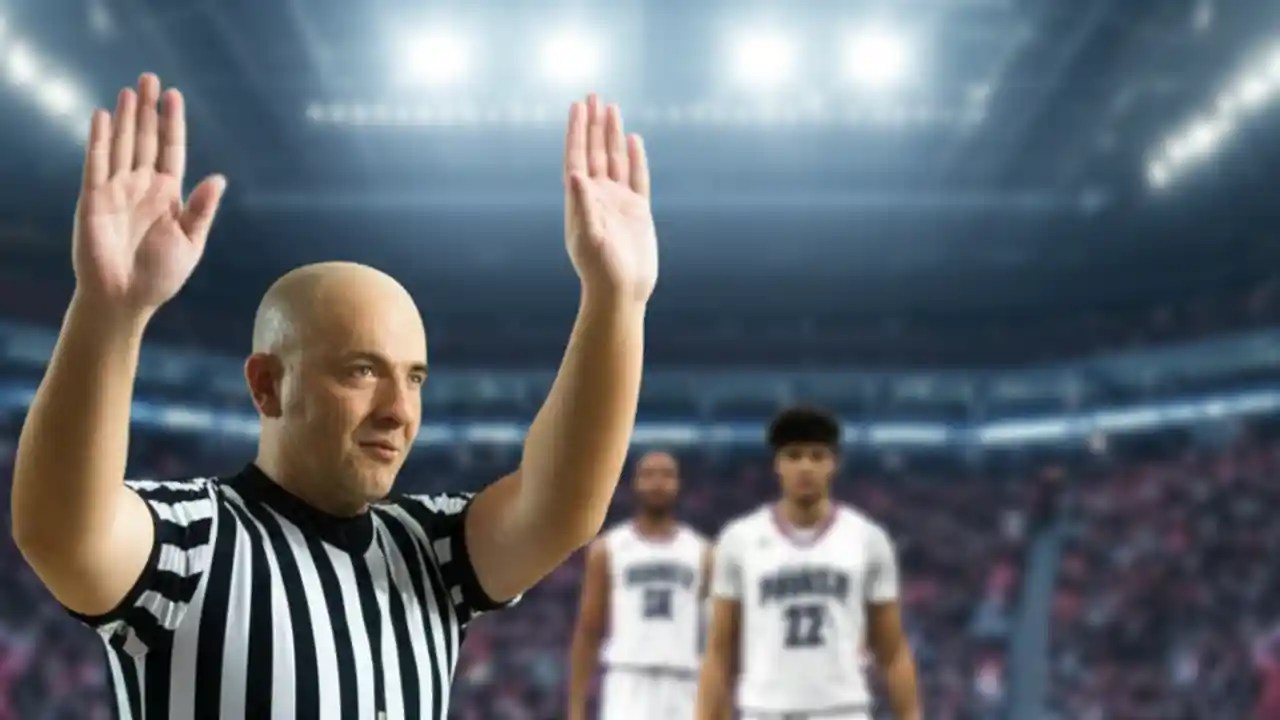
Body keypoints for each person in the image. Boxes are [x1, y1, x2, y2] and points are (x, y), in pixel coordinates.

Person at [9, 72, 658, 720]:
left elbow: (563, 506)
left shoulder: (427, 551)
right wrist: (109, 312)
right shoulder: (193, 542)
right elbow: (63, 533)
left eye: (414, 378)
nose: (399, 411)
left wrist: (616, 301)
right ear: (267, 385)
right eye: (360, 371)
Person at [695, 406, 921, 720]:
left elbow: (893, 650)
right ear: (778, 464)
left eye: (817, 456)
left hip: (842, 709)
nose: (805, 466)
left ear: (834, 464)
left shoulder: (868, 539)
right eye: (794, 455)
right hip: (765, 710)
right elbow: (718, 653)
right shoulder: (739, 539)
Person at [568, 450, 711, 720]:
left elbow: (715, 638)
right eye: (648, 475)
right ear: (635, 483)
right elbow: (588, 630)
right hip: (627, 678)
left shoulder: (702, 552)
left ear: (678, 484)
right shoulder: (608, 549)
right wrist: (576, 708)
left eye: (667, 475)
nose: (658, 482)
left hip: (684, 679)